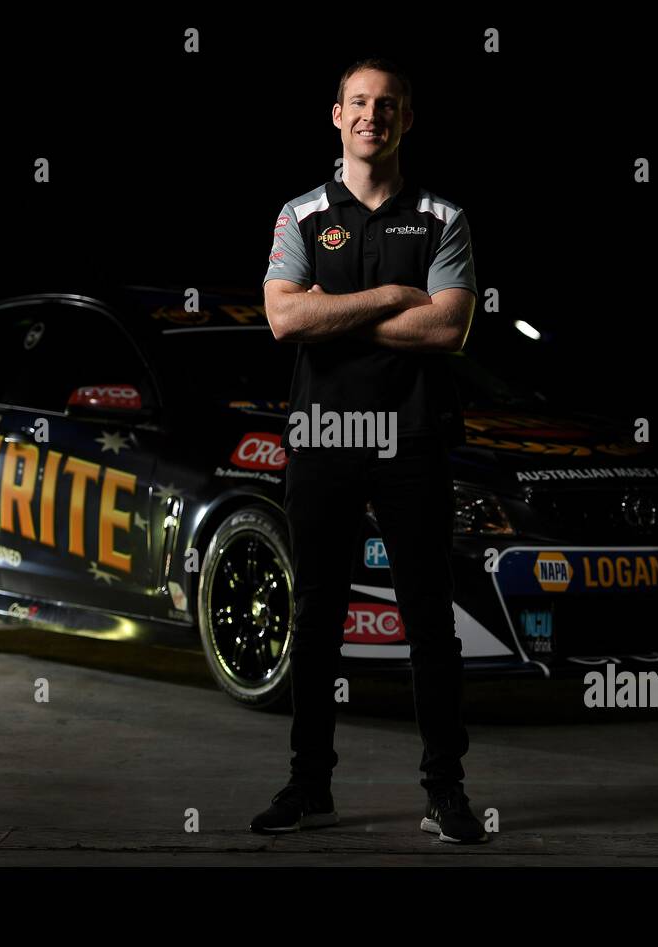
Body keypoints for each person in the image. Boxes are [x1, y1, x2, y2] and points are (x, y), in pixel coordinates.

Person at [249, 57, 487, 844]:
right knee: (317, 613)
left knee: (429, 620)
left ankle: (444, 790)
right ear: (337, 115)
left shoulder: (444, 218)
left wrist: (332, 310)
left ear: (407, 120)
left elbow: (448, 329)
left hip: (411, 437)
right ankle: (308, 785)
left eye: (388, 105)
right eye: (359, 103)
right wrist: (391, 297)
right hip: (323, 437)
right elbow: (284, 320)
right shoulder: (301, 214)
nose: (372, 116)